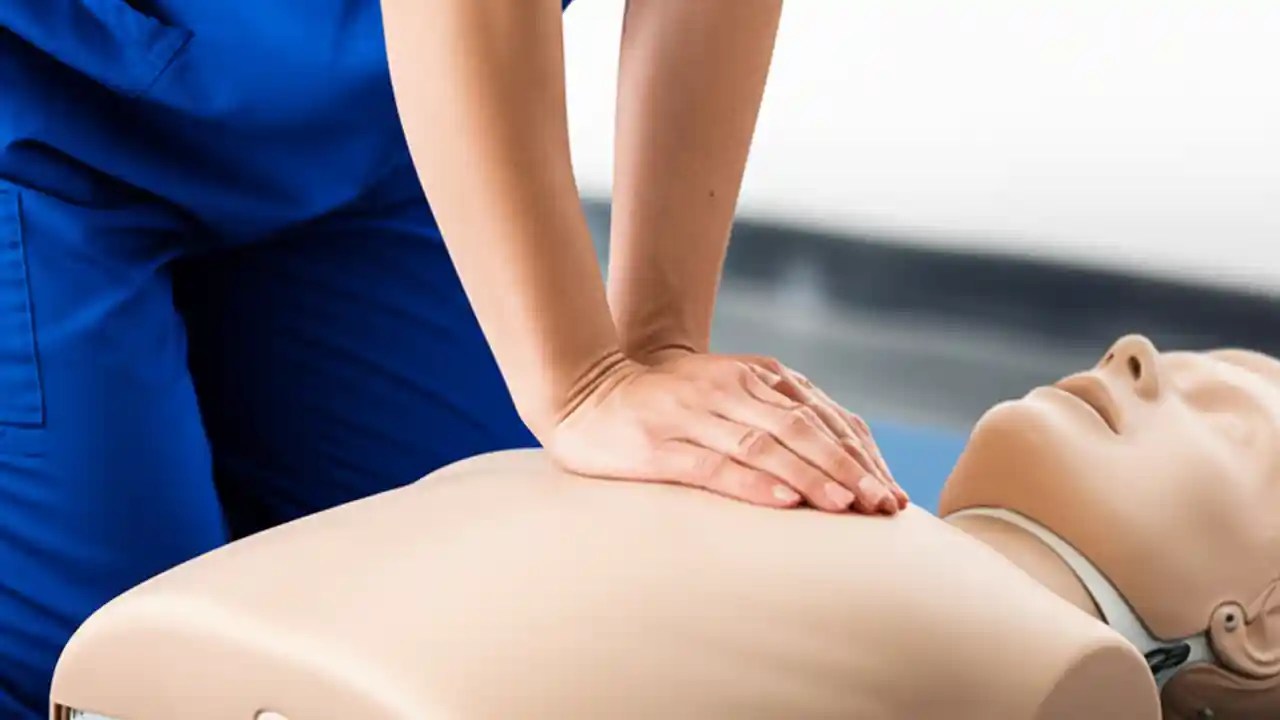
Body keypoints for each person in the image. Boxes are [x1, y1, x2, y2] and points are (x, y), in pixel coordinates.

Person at [0, 2, 907, 715]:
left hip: (349, 122)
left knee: (506, 630)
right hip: (40, 103)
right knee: (125, 672)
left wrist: (657, 343)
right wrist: (583, 381)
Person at [47, 334, 1280, 718]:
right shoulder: (736, 438)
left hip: (132, 663)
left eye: (1229, 415)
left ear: (1256, 633)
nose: (1130, 350)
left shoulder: (1066, 673)